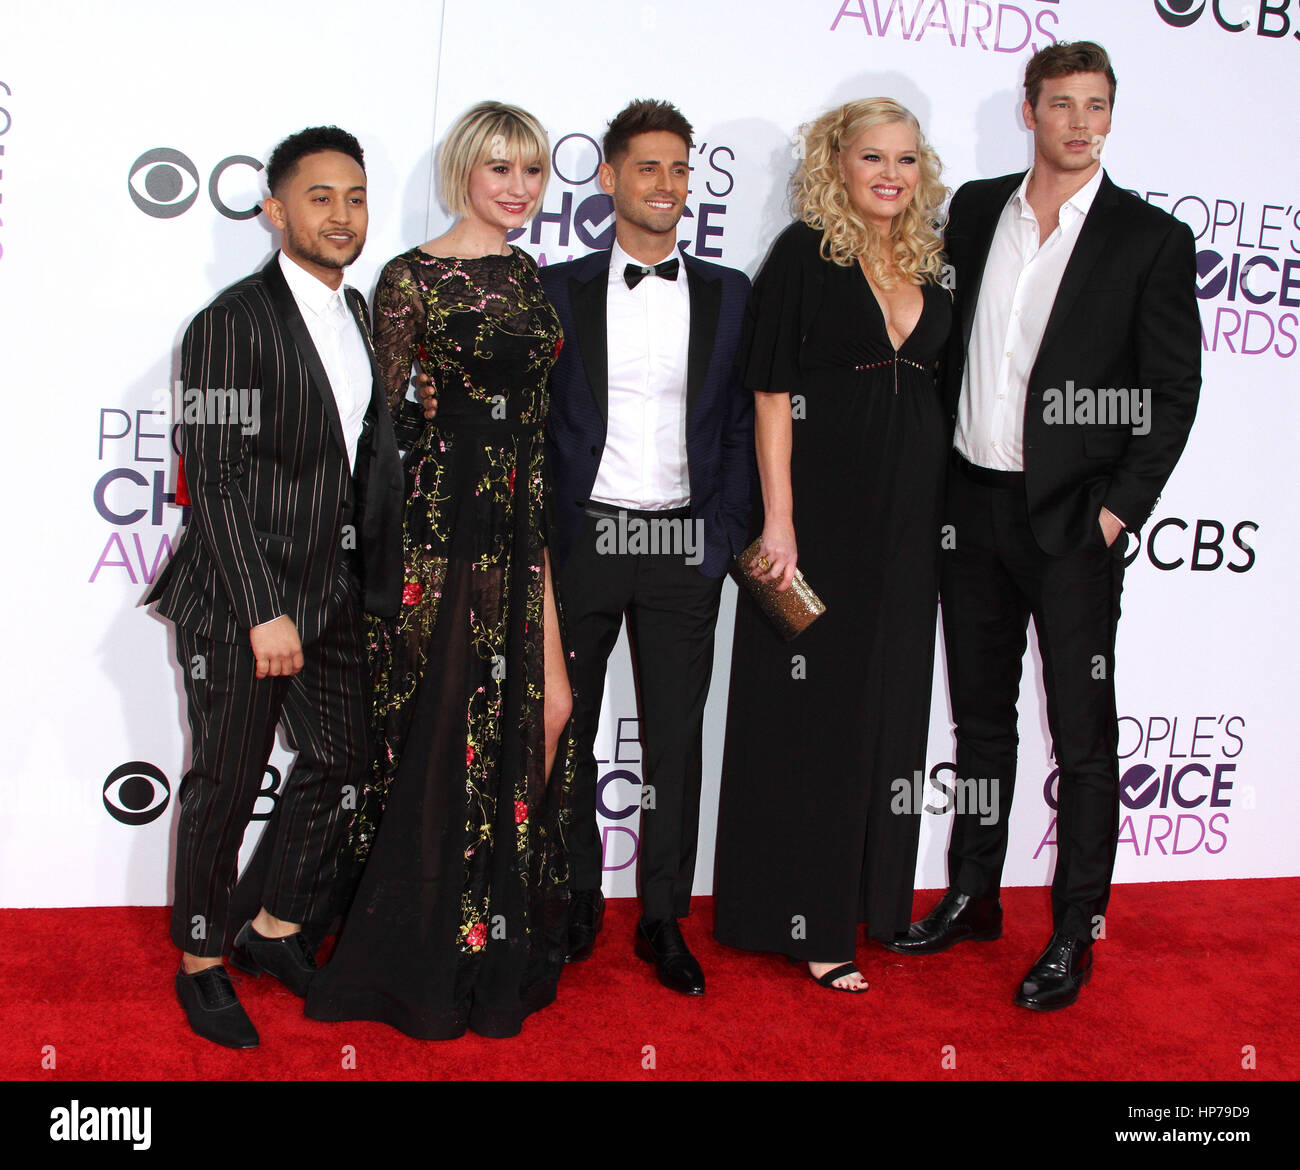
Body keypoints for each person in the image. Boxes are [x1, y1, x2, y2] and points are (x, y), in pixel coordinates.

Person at [884, 42, 1200, 1011]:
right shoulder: (978, 210)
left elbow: (1171, 392)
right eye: (1061, 104)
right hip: (969, 507)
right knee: (980, 723)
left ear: (1110, 115)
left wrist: (1116, 512)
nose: (1079, 123)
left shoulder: (1148, 239)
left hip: (1071, 523)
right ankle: (973, 894)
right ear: (1030, 112)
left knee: (1083, 738)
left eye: (1095, 105)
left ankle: (1073, 930)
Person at [303, 102, 574, 1040]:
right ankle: (423, 949)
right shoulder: (411, 276)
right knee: (444, 729)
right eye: (500, 168)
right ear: (463, 170)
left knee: (546, 711)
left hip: (522, 520)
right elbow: (383, 425)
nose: (519, 188)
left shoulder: (528, 275)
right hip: (446, 527)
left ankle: (489, 929)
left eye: (532, 170)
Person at [147, 126, 404, 1047]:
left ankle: (275, 926)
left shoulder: (359, 311)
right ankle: (201, 960)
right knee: (225, 784)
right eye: (320, 197)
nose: (342, 215)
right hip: (239, 602)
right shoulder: (228, 323)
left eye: (355, 198)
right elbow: (212, 481)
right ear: (275, 210)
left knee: (344, 760)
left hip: (331, 594)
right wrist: (263, 609)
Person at [712, 98, 951, 992]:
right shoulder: (804, 256)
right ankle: (803, 919)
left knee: (888, 707)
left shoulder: (930, 260)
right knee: (810, 716)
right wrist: (779, 521)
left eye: (906, 158)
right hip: (818, 519)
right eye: (872, 157)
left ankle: (874, 904)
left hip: (912, 524)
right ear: (836, 164)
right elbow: (772, 395)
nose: (891, 174)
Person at [538, 99, 753, 995]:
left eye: (679, 169)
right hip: (585, 537)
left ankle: (663, 916)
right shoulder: (556, 289)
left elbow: (742, 424)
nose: (666, 184)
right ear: (609, 177)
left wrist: (721, 539)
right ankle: (575, 900)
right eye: (648, 167)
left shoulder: (732, 294)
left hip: (681, 545)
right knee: (569, 728)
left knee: (674, 743)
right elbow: (534, 425)